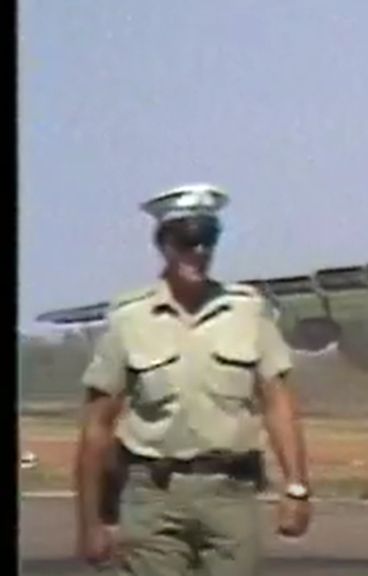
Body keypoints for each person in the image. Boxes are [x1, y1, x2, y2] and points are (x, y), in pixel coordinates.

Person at [73, 183, 313, 575]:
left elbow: (279, 404)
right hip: (154, 497)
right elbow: (97, 427)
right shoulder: (129, 320)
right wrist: (90, 522)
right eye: (187, 240)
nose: (198, 252)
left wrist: (297, 488)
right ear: (163, 244)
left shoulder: (248, 313)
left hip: (231, 494)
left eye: (208, 239)